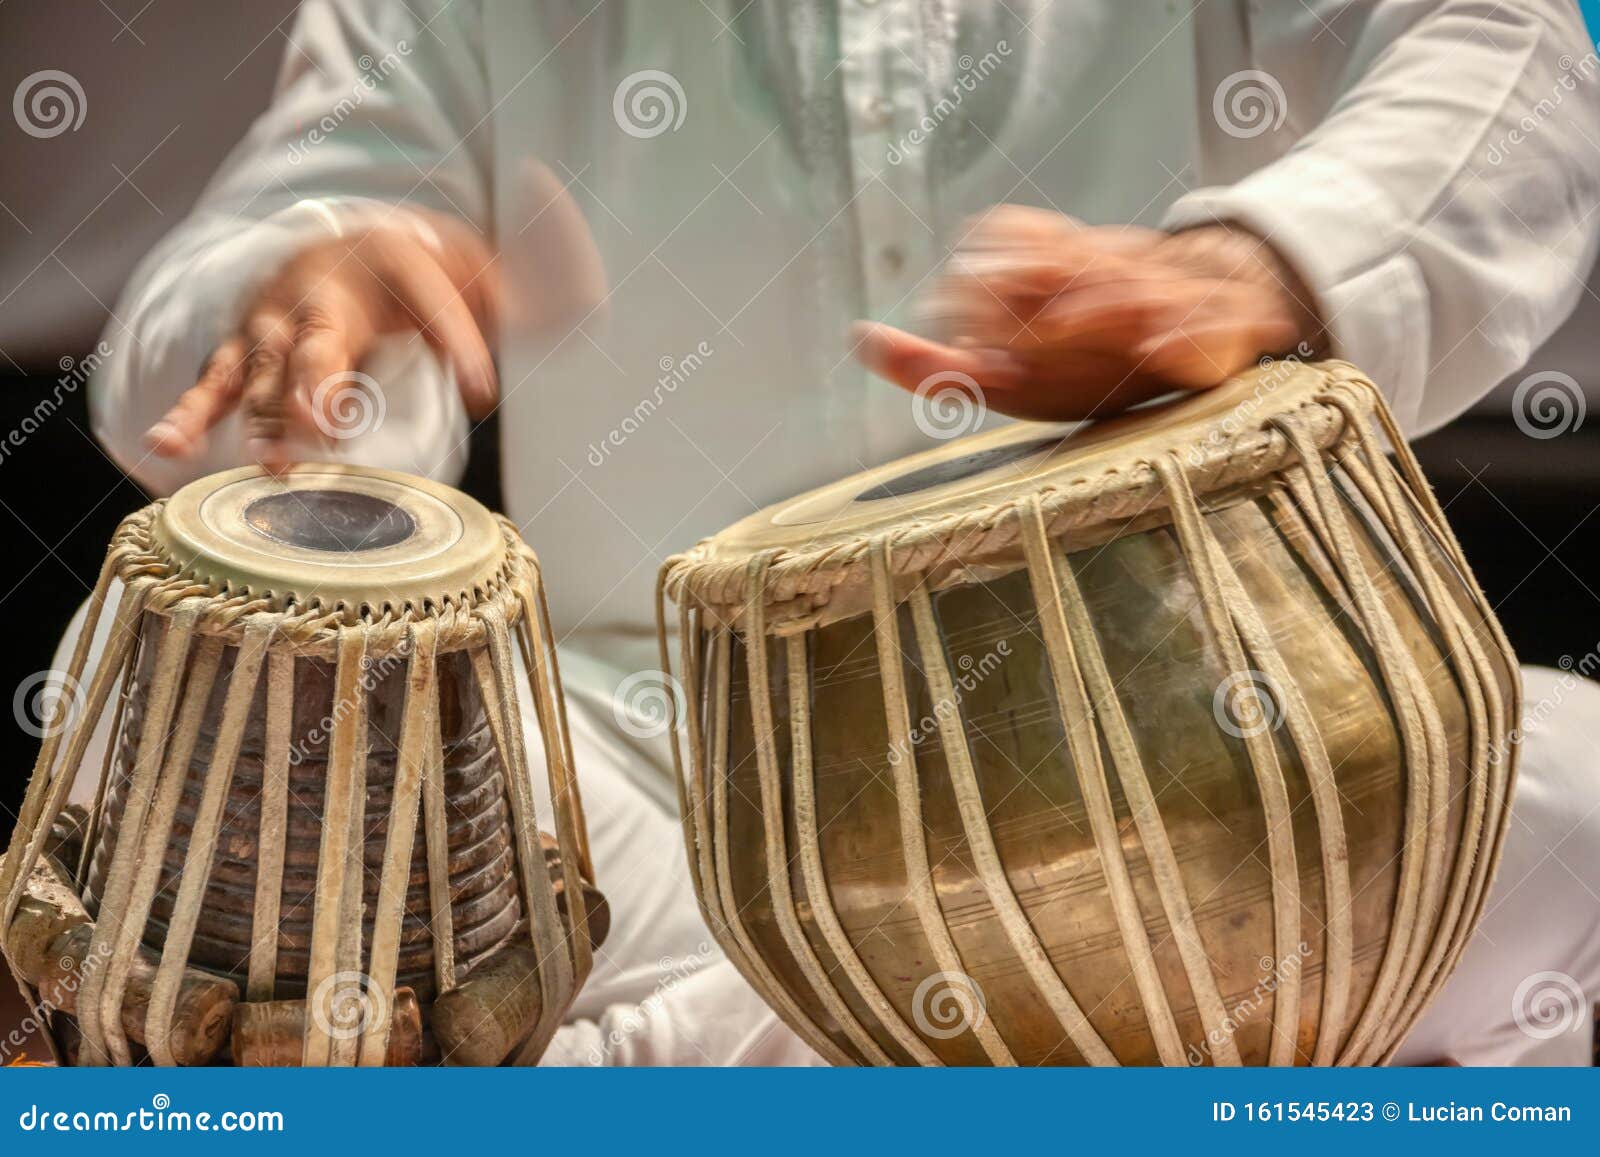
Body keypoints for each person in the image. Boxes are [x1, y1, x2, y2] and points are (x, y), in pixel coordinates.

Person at [67, 0, 1600, 1064]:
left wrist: (1268, 259)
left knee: (1578, 805)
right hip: (653, 777)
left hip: (1199, 735)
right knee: (156, 719)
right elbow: (228, 304)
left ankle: (683, 1065)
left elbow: (1511, 54)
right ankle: (1120, 1036)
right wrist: (312, 297)